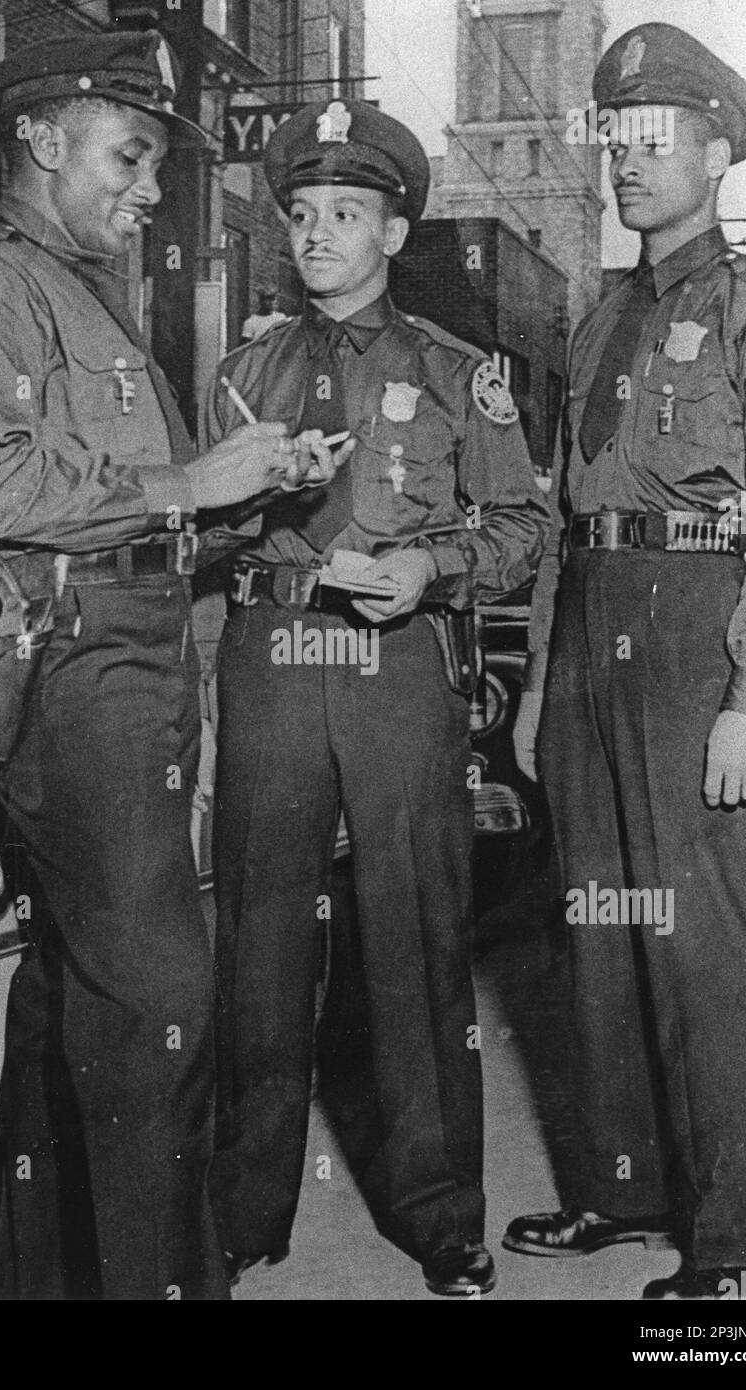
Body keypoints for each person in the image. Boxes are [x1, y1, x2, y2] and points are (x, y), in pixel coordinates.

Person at [0, 30, 321, 1301]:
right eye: (129, 157)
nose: (148, 190)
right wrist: (190, 482)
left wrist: (245, 490)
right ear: (39, 140)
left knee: (79, 991)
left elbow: (122, 512)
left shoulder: (76, 291)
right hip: (71, 663)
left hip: (118, 648)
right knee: (156, 1006)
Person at [203, 98, 549, 1297]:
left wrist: (431, 569)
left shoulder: (454, 374)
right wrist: (243, 506)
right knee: (256, 941)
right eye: (302, 213)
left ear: (393, 233)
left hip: (395, 665)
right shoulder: (243, 373)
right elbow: (195, 536)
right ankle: (241, 1210)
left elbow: (522, 526)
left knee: (415, 938)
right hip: (268, 657)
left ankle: (440, 1216)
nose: (317, 234)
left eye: (345, 213)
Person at [504, 23, 746, 1299]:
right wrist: (538, 682)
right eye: (614, 140)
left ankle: (742, 1242)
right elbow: (563, 519)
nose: (624, 162)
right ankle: (624, 1189)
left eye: (651, 139)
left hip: (698, 623)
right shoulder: (596, 322)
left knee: (707, 940)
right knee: (599, 920)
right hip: (591, 625)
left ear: (714, 152)